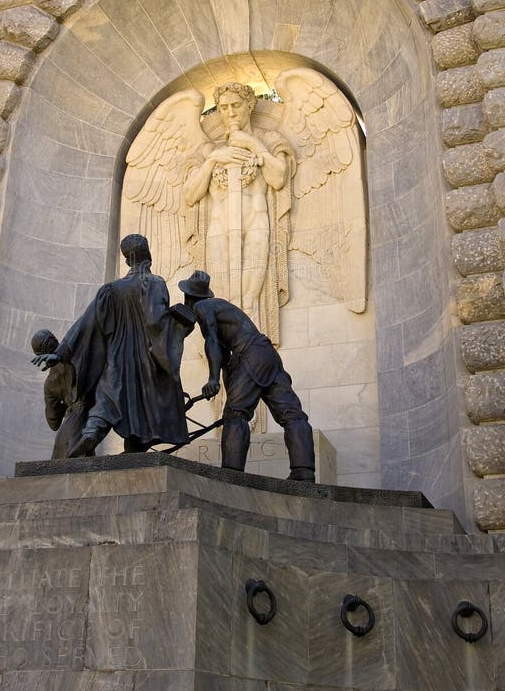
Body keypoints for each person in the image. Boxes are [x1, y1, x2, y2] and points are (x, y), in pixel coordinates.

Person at [33, 234, 192, 457]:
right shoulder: (156, 284)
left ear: (127, 260)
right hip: (148, 362)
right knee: (143, 410)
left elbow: (86, 323)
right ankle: (132, 444)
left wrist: (60, 353)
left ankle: (92, 430)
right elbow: (157, 322)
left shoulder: (112, 290)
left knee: (108, 399)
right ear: (148, 255)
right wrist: (181, 326)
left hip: (118, 358)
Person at [178, 270, 315, 481]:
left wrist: (212, 379)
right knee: (292, 414)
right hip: (267, 353)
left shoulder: (202, 307)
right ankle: (303, 471)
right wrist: (224, 384)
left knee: (235, 415)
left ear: (189, 297)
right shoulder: (221, 308)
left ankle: (231, 475)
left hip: (250, 353)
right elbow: (224, 358)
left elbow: (212, 343)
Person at [182, 82, 293, 343]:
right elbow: (190, 194)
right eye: (223, 107)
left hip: (257, 223)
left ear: (250, 105)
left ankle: (253, 353)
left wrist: (253, 144)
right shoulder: (209, 150)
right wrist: (213, 160)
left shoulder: (268, 139)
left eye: (236, 106)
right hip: (218, 229)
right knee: (219, 296)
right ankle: (221, 360)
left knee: (252, 295)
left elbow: (278, 178)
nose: (229, 113)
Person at [30, 328, 92, 459]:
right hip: (95, 408)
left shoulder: (50, 384)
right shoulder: (76, 352)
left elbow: (53, 422)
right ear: (55, 340)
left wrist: (65, 405)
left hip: (75, 419)